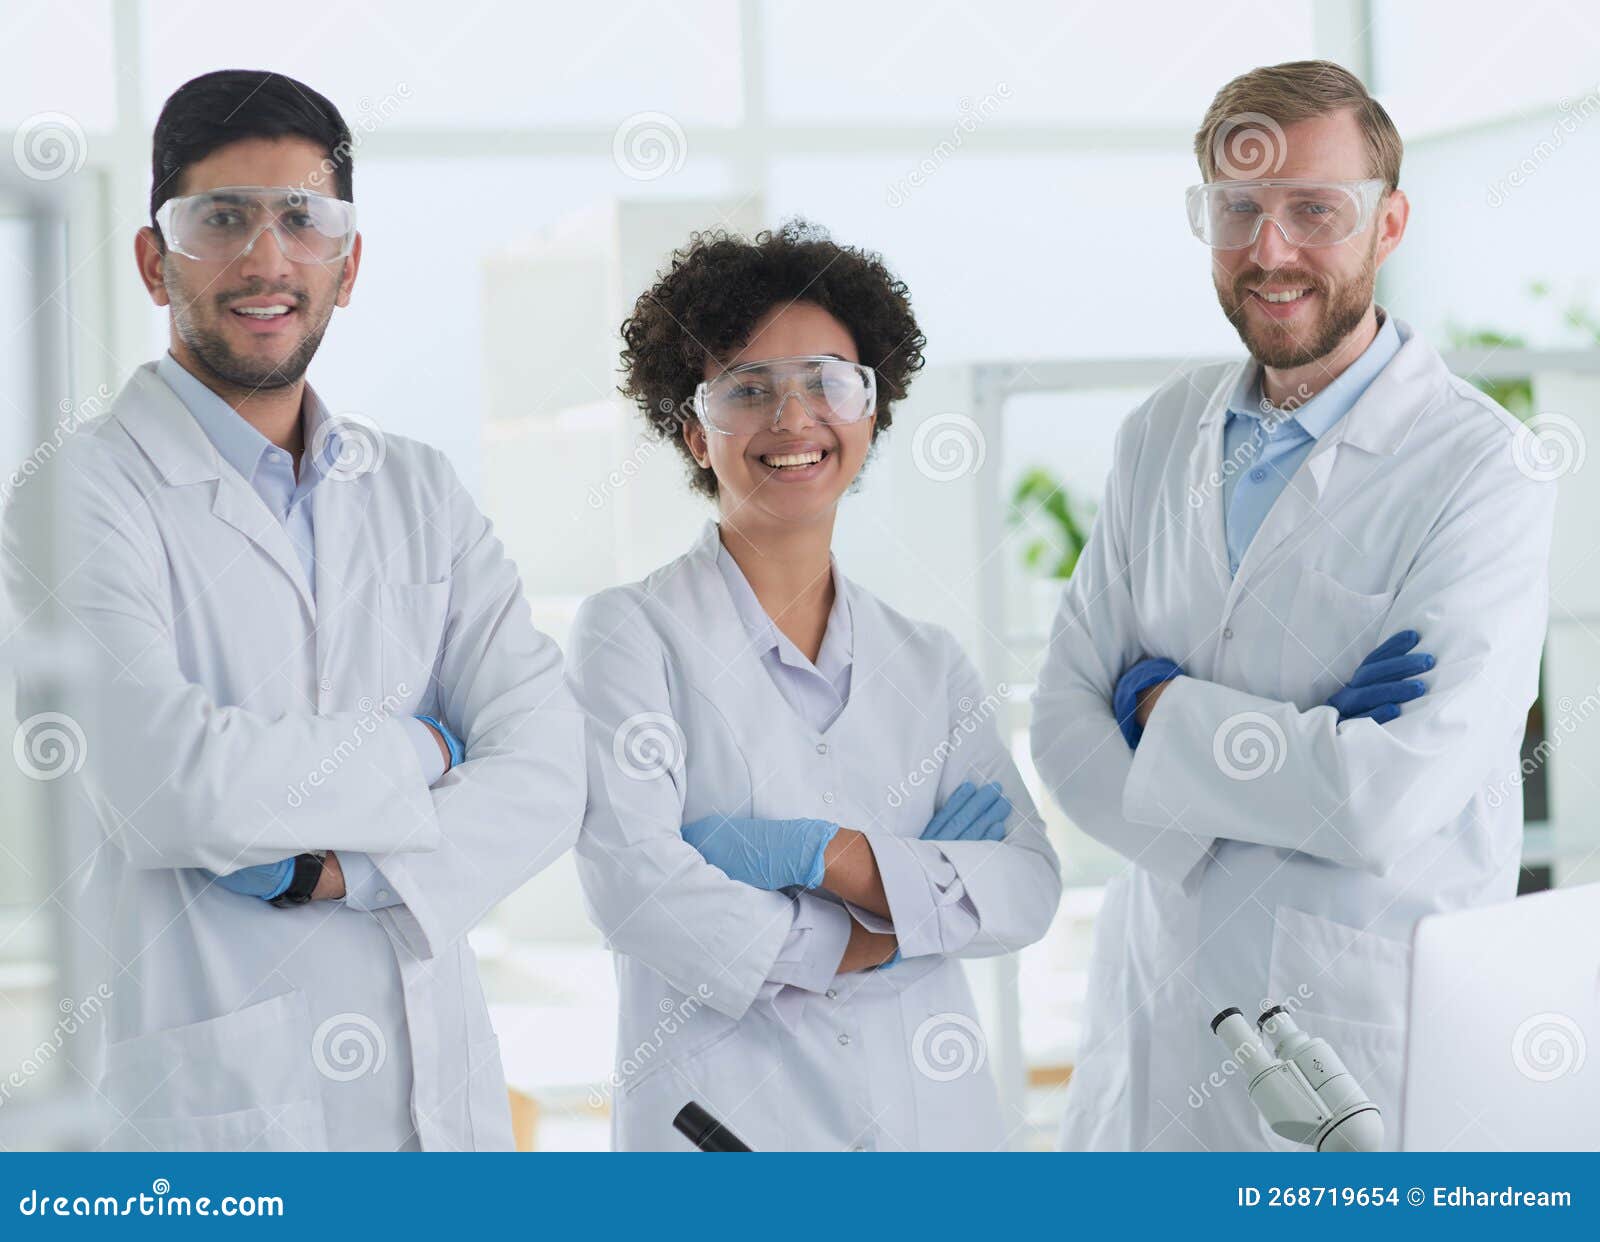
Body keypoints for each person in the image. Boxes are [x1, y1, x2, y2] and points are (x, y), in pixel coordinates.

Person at [2, 70, 585, 1151]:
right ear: (152, 259)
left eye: (303, 222)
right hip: (220, 1118)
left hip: (443, 1109)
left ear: (347, 265)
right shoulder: (75, 491)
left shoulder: (417, 488)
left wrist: (345, 871)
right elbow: (172, 786)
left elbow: (550, 769)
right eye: (221, 220)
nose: (266, 261)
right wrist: (421, 748)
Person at [1030, 60, 1555, 1151]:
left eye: (1315, 210)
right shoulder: (1159, 434)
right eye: (1238, 211)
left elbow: (1386, 801)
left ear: (1389, 222)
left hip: (1350, 1035)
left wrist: (1167, 710)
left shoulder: (1479, 469)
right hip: (1157, 1018)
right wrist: (1293, 748)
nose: (1270, 252)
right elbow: (1065, 735)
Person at [568, 223, 1062, 1151]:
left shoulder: (928, 661)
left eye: (828, 384)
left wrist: (827, 855)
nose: (794, 421)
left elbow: (1029, 885)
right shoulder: (631, 634)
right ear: (692, 429)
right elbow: (639, 891)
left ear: (871, 411)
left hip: (933, 1125)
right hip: (727, 1128)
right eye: (748, 391)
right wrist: (896, 919)